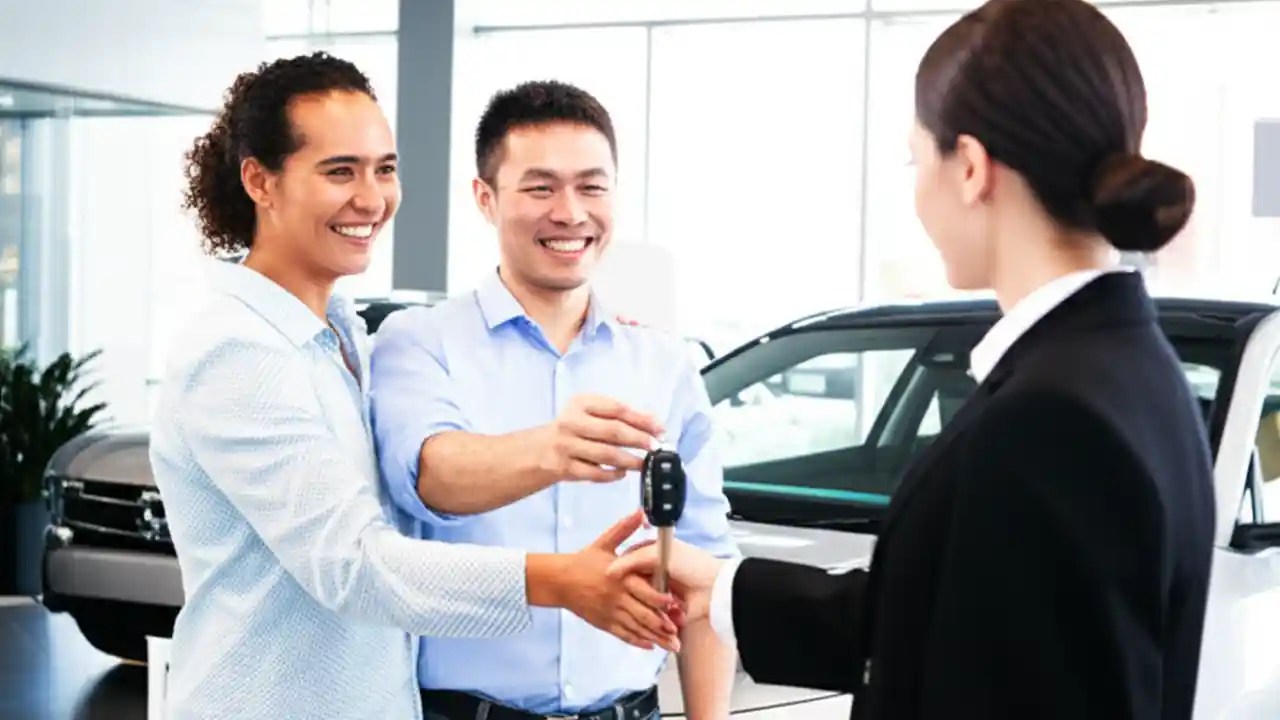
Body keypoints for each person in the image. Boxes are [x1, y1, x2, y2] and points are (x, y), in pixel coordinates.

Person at [609, 1, 1214, 718]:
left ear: (970, 169)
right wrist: (725, 588)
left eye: (915, 157)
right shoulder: (1130, 369)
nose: (917, 192)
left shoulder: (1048, 420)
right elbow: (969, 619)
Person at [149, 54, 678, 720]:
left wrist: (603, 324)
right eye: (340, 170)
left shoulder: (341, 331)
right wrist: (557, 580)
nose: (371, 198)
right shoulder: (238, 351)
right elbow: (355, 566)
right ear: (260, 180)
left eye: (385, 168)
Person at [368, 80, 738, 720]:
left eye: (592, 186)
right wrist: (551, 450)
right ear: (485, 199)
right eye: (540, 188)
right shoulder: (418, 342)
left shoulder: (664, 365)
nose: (570, 212)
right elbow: (429, 478)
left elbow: (704, 571)